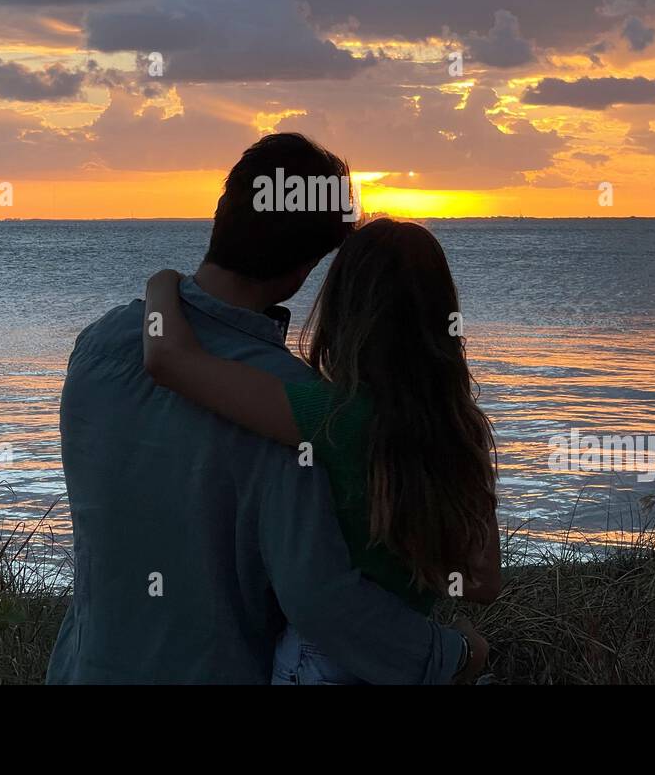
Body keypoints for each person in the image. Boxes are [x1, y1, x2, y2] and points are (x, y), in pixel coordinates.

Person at [46, 134, 487, 684]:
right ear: (305, 268)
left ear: (222, 214)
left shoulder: (99, 345)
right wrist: (450, 656)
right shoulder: (293, 404)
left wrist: (162, 282)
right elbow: (321, 597)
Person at [142, 216, 501, 685]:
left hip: (322, 660)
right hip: (402, 655)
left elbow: (168, 359)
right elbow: (483, 582)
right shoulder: (462, 430)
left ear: (342, 311)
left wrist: (161, 280)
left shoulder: (327, 417)